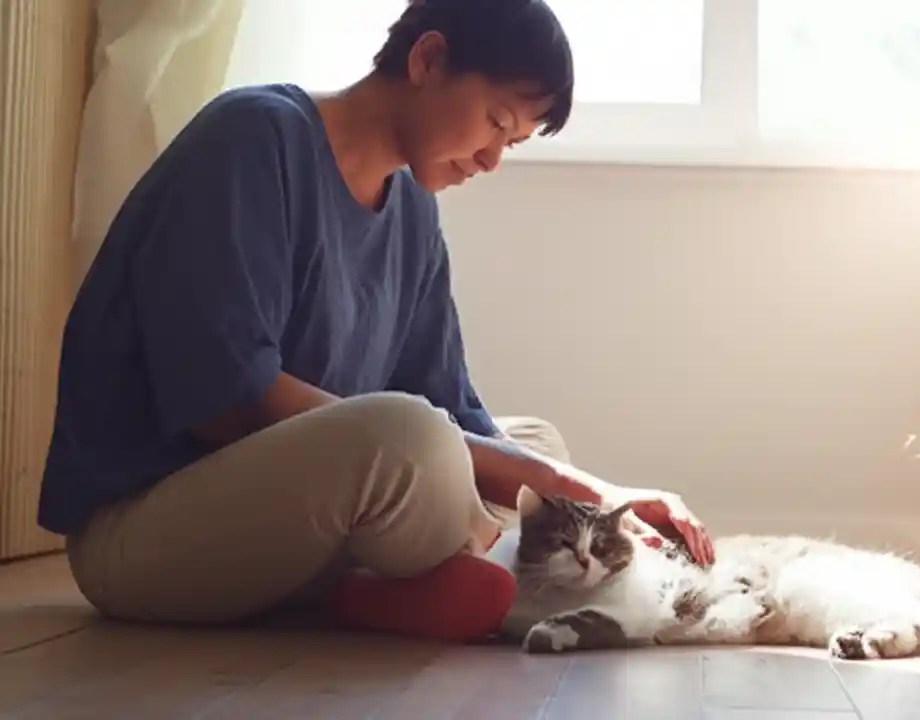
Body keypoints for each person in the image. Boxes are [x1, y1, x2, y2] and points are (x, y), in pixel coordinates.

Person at [38, 0, 713, 643]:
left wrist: (596, 493)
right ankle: (431, 574)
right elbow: (228, 402)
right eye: (496, 122)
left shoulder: (413, 213)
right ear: (428, 60)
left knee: (533, 441)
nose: (491, 159)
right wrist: (487, 472)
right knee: (413, 439)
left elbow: (457, 412)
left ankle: (379, 590)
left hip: (303, 506)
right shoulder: (253, 137)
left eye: (513, 143)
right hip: (145, 532)